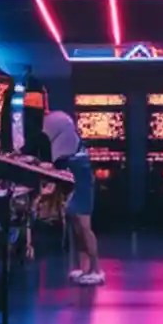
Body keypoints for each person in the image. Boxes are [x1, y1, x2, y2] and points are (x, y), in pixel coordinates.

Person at [41, 110, 103, 285]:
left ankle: (96, 269)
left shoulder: (72, 148)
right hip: (77, 182)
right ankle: (85, 269)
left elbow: (60, 161)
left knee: (84, 226)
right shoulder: (69, 143)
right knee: (76, 226)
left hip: (82, 183)